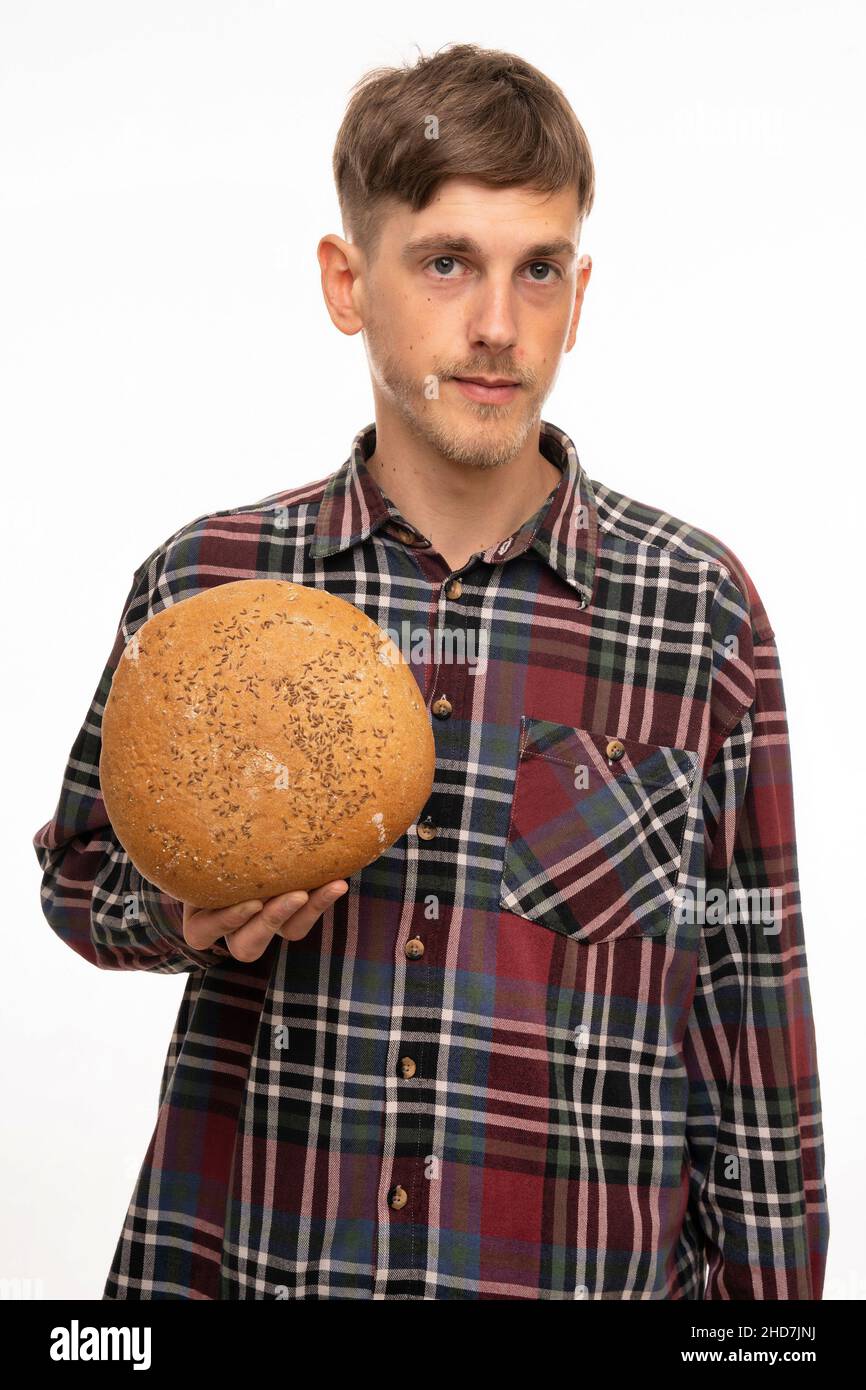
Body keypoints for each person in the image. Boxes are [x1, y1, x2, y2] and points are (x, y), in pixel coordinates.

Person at [33, 42, 829, 1300]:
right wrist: (181, 915)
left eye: (539, 269)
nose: (497, 325)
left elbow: (749, 1010)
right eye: (446, 262)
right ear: (347, 283)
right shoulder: (209, 582)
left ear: (580, 292)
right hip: (250, 1267)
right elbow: (77, 874)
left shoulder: (698, 613)